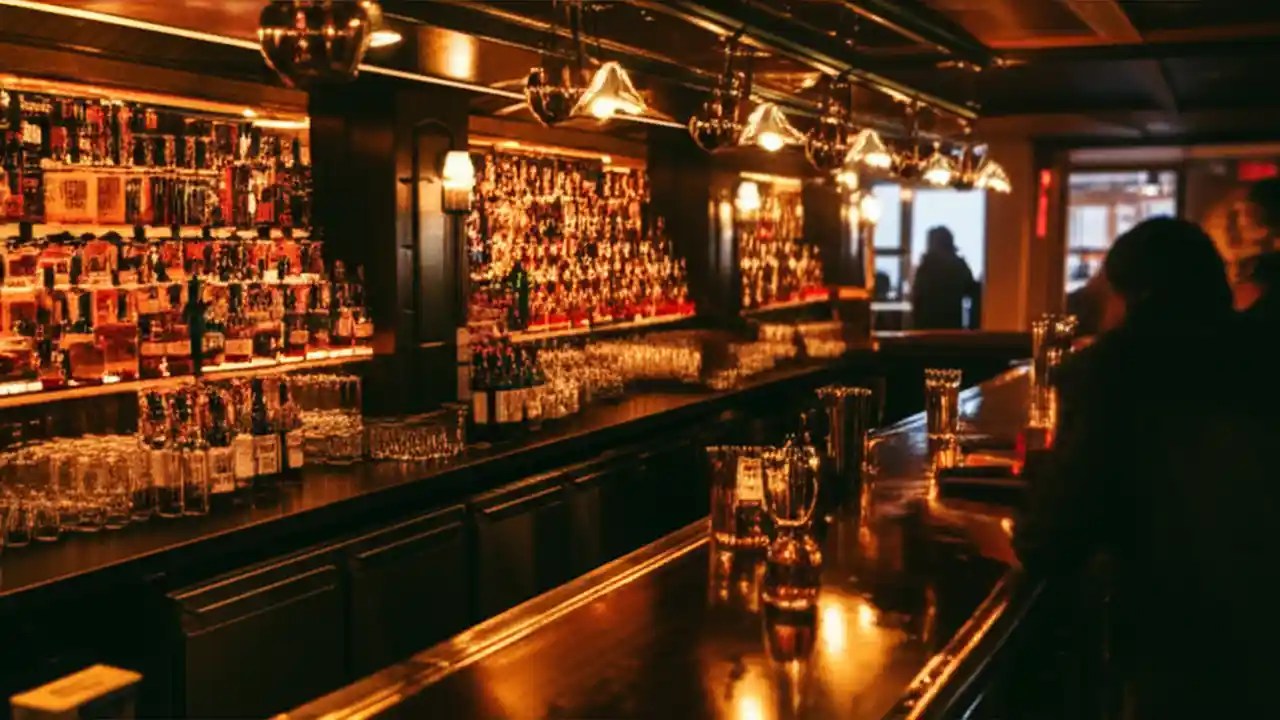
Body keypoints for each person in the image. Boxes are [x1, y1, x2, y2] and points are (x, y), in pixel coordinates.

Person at [1013, 217, 1280, 720]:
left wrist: (1021, 504)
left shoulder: (1115, 370)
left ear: (1130, 296)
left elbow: (1054, 538)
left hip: (1179, 646)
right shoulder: (1262, 352)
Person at [910, 226, 976, 330]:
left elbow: (917, 298)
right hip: (954, 325)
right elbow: (972, 295)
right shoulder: (960, 266)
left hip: (927, 324)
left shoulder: (926, 268)